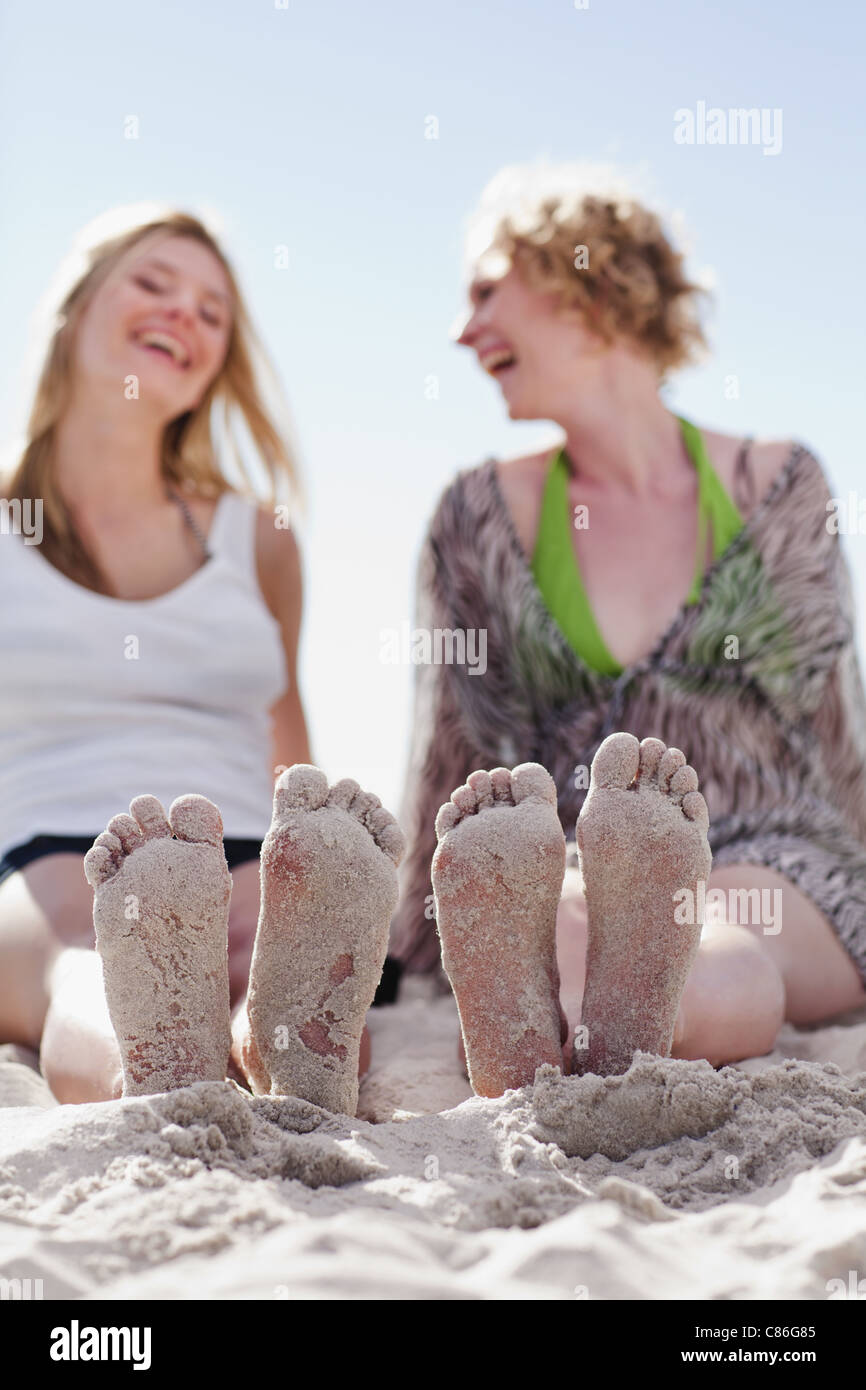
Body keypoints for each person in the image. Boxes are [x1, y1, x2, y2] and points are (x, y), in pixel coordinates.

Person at [388, 165, 866, 1097]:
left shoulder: (777, 487)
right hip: (564, 850)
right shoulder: (478, 514)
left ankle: (627, 1003)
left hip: (777, 850)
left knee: (721, 933)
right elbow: (446, 751)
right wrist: (407, 955)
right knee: (565, 909)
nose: (463, 329)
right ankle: (588, 1000)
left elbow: (837, 720)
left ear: (587, 277)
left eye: (487, 291)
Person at [0, 207, 402, 1111]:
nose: (183, 312)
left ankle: (279, 1033)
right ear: (75, 309)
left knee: (294, 948)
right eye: (153, 285)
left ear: (216, 368)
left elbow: (283, 727)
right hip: (43, 849)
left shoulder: (256, 535)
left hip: (235, 846)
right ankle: (157, 1060)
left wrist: (316, 840)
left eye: (212, 311)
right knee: (83, 954)